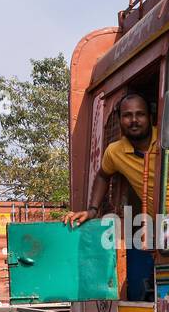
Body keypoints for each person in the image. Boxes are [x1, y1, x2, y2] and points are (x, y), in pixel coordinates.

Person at [65, 92, 159, 227]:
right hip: (157, 225)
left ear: (150, 117)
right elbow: (103, 175)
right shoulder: (115, 151)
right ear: (119, 120)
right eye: (127, 115)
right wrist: (92, 210)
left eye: (140, 114)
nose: (134, 120)